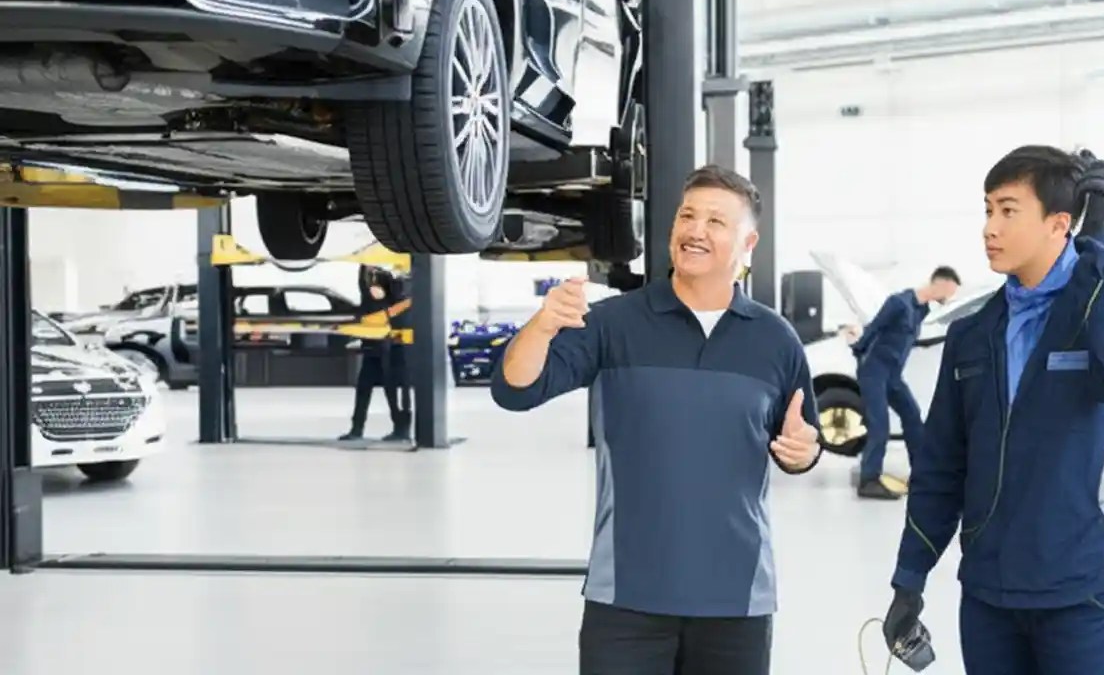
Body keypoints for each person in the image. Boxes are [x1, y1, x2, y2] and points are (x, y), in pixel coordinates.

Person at [490, 164, 822, 675]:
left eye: (715, 221)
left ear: (747, 241)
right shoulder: (612, 323)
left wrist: (806, 453)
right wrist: (541, 326)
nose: (694, 230)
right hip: (625, 597)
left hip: (736, 601)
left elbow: (801, 441)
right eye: (687, 215)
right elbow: (515, 390)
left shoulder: (775, 340)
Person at [881, 145, 1104, 675]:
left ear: (1060, 224)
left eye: (1008, 210)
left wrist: (1102, 242)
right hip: (989, 599)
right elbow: (942, 468)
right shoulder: (970, 336)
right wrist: (909, 578)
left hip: (1081, 595)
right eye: (987, 209)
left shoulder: (1102, 311)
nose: (990, 227)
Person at [851, 266, 961, 500]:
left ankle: (923, 475)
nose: (949, 298)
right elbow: (874, 328)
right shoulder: (898, 303)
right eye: (949, 291)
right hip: (875, 371)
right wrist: (859, 351)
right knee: (879, 425)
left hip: (892, 374)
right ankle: (868, 480)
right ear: (939, 284)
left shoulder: (920, 311)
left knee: (912, 416)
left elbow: (905, 340)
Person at [338, 265, 411, 442]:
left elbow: (402, 300)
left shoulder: (389, 277)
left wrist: (386, 310)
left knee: (392, 389)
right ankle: (357, 428)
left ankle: (401, 429)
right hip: (371, 342)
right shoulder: (366, 275)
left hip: (387, 342)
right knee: (364, 388)